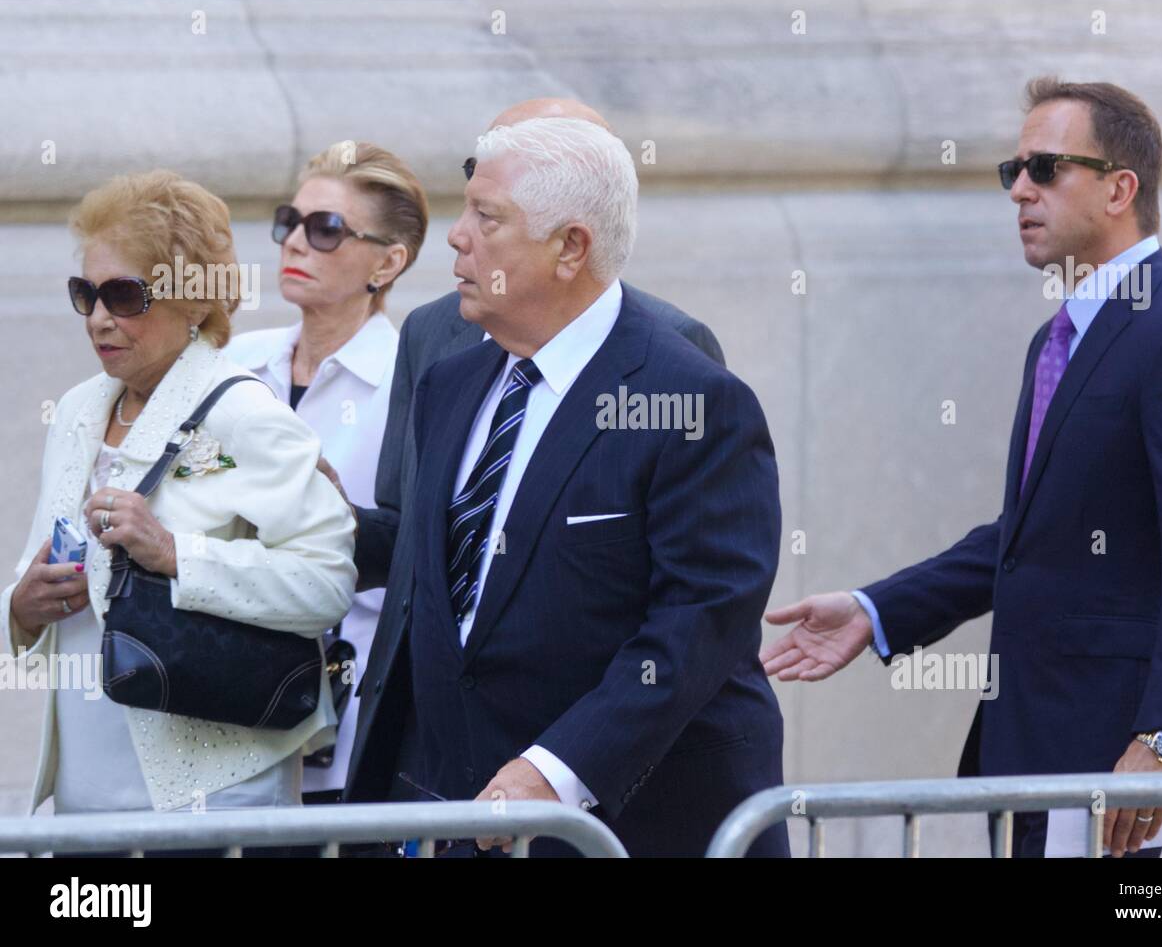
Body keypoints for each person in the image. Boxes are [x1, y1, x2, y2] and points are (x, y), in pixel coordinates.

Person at [761, 78, 1162, 858]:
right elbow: (1024, 538)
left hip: (1110, 765)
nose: (1019, 189)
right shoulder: (1057, 339)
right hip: (1030, 748)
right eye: (1012, 171)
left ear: (1120, 188)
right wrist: (876, 610)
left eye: (1047, 168)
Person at [385, 115, 785, 857]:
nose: (455, 235)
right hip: (471, 826)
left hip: (635, 828)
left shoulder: (690, 399)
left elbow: (700, 622)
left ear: (571, 247)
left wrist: (553, 771)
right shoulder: (449, 382)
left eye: (487, 216)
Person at [0, 171, 357, 843]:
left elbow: (327, 582)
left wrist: (174, 553)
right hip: (85, 802)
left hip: (218, 802)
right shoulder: (78, 409)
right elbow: (35, 566)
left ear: (194, 300)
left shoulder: (247, 412)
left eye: (125, 294)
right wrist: (19, 608)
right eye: (87, 293)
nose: (100, 317)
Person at [226, 140, 426, 805]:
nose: (295, 243)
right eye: (291, 221)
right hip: (216, 706)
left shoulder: (412, 382)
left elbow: (413, 556)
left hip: (340, 722)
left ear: (388, 262)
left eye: (327, 229)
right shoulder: (235, 364)